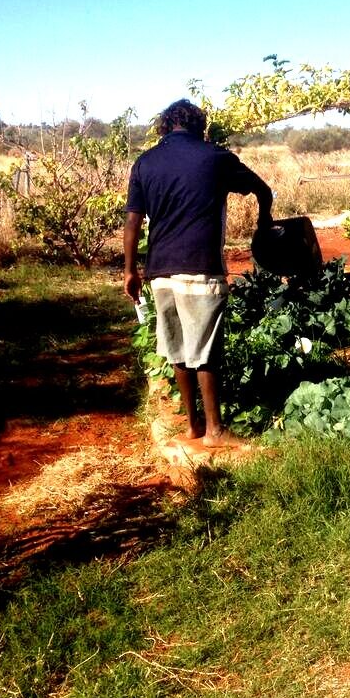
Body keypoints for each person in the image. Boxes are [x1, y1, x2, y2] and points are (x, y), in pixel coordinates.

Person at [123, 99, 273, 447]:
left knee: (177, 349)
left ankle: (192, 426)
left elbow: (132, 221)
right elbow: (262, 189)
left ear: (165, 126)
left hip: (159, 272)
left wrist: (130, 271)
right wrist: (263, 224)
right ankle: (215, 431)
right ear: (199, 126)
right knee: (204, 349)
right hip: (200, 266)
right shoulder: (216, 158)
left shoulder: (145, 163)